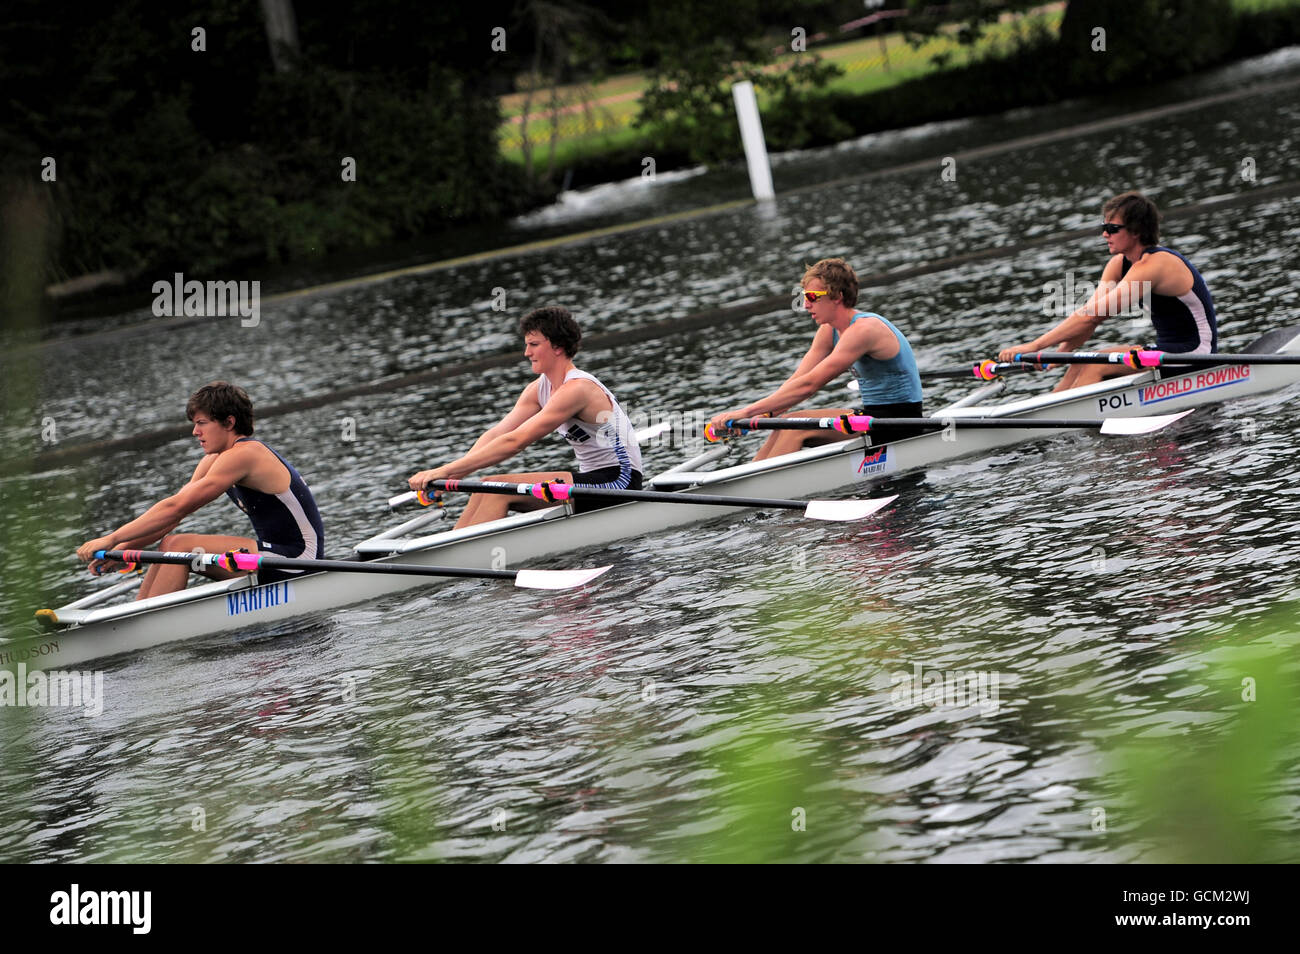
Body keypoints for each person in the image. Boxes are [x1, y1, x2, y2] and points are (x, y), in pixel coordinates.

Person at [75, 382, 325, 598]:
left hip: (299, 559)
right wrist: (122, 551)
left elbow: (175, 508)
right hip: (268, 555)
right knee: (171, 542)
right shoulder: (214, 460)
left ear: (229, 422)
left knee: (181, 545)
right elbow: (174, 515)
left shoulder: (247, 454)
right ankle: (138, 615)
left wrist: (112, 538)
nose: (195, 432)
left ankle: (147, 625)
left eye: (202, 423)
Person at [407, 306, 643, 528]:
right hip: (592, 479)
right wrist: (450, 477)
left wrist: (444, 472)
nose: (526, 352)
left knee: (496, 488)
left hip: (619, 483)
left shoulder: (577, 389)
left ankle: (461, 561)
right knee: (486, 485)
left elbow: (515, 442)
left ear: (558, 347)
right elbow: (498, 434)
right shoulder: (537, 390)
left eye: (534, 344)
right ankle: (451, 552)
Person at [997, 190, 1217, 390]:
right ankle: (1045, 411)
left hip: (1196, 353)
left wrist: (1034, 347)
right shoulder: (1119, 264)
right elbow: (1089, 316)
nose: (1105, 235)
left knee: (1095, 365)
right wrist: (1058, 355)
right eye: (1104, 228)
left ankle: (1068, 420)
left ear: (1136, 231)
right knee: (1081, 360)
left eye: (1112, 229)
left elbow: (1091, 317)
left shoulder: (1155, 265)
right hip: (1164, 350)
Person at [707, 257, 923, 459]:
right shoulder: (830, 330)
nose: (805, 305)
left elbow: (809, 386)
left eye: (812, 297)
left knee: (795, 426)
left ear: (837, 296)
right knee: (786, 422)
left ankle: (755, 490)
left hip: (901, 422)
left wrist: (746, 411)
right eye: (803, 298)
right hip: (872, 416)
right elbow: (797, 381)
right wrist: (762, 415)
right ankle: (749, 481)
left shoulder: (864, 330)